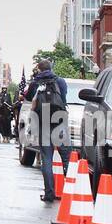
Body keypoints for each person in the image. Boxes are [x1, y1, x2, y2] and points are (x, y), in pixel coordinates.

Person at [27, 58, 70, 202]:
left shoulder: (35, 83)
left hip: (43, 122)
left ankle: (49, 193)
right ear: (51, 68)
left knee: (47, 159)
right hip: (59, 121)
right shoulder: (60, 81)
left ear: (39, 69)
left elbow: (27, 96)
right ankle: (70, 191)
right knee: (66, 158)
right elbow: (63, 98)